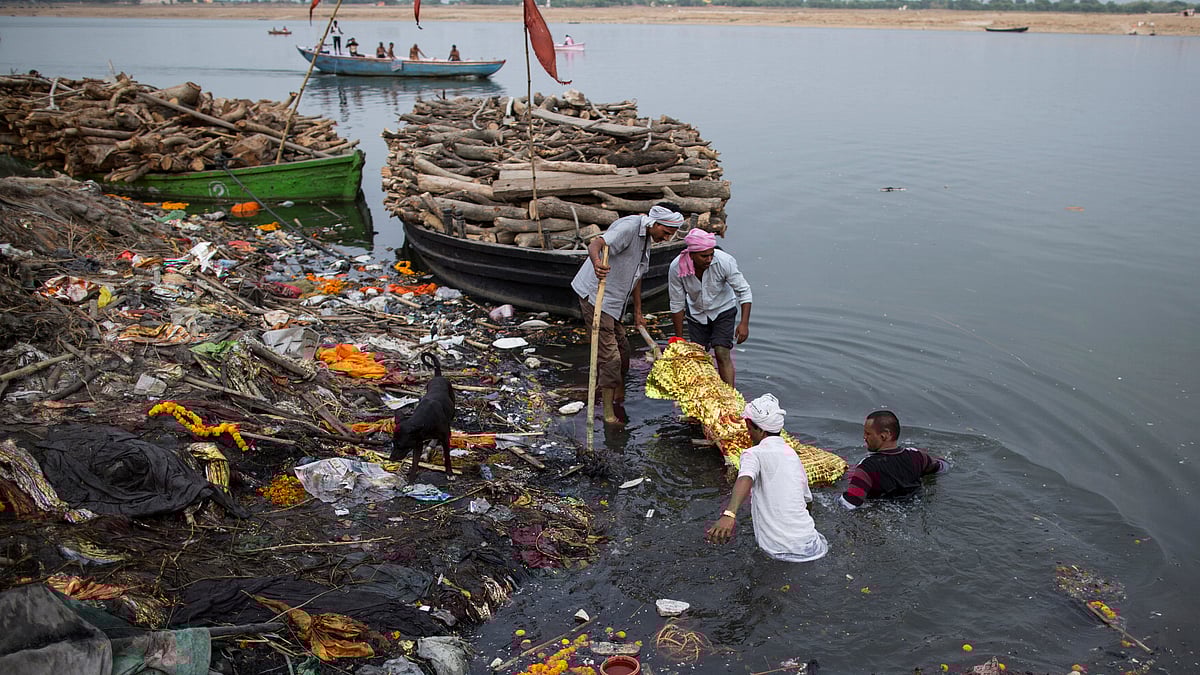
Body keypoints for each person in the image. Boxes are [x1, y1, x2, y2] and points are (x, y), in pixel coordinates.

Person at [571, 202, 684, 424]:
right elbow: (596, 244)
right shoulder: (629, 228)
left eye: (671, 235)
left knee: (624, 351)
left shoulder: (647, 239)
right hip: (596, 296)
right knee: (610, 357)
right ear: (655, 223)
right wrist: (596, 263)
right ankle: (608, 414)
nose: (667, 238)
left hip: (616, 303)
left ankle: (617, 394)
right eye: (666, 232)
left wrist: (638, 311)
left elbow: (637, 275)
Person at [706, 394, 829, 563]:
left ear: (761, 430)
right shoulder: (791, 454)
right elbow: (807, 501)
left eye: (749, 428)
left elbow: (745, 478)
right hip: (813, 546)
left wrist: (730, 514)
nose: (748, 433)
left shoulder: (753, 454)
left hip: (778, 551)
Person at [667, 228, 752, 387]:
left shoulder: (724, 262)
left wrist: (744, 323)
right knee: (699, 356)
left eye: (711, 254)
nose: (709, 259)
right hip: (696, 313)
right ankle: (706, 396)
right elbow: (677, 303)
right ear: (691, 255)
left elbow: (744, 291)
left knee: (721, 352)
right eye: (704, 256)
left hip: (723, 309)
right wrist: (678, 340)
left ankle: (729, 397)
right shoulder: (676, 268)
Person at [840, 410, 949, 509]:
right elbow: (942, 467)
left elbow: (850, 504)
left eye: (868, 433)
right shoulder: (918, 456)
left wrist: (833, 493)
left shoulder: (866, 467)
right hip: (914, 507)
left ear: (883, 436)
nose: (864, 437)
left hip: (882, 513)